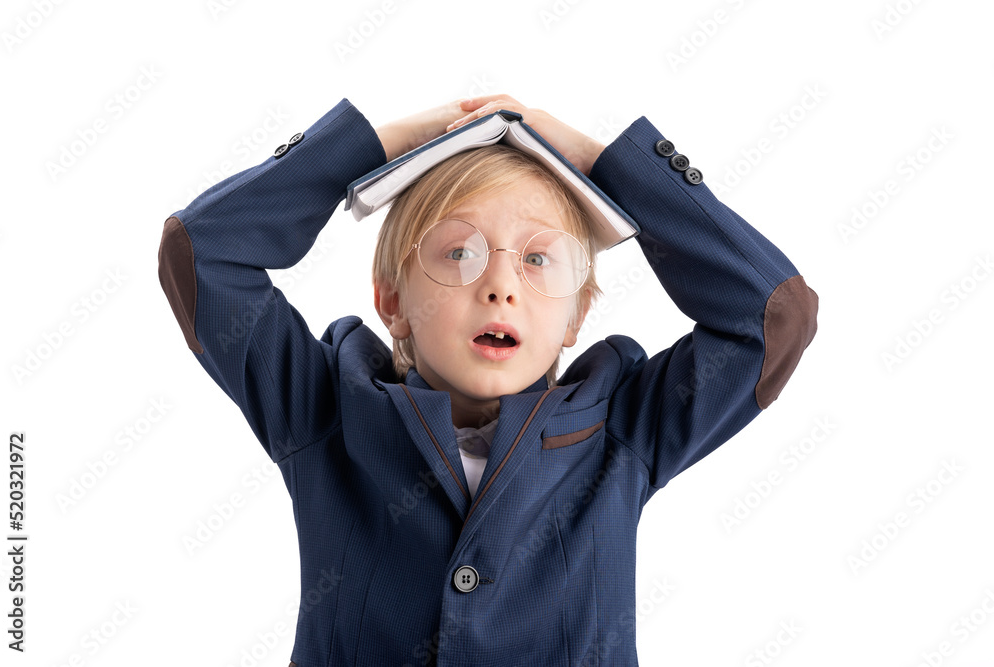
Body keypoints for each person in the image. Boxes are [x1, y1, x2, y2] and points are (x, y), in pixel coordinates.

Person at [157, 93, 818, 666]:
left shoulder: (625, 428)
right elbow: (205, 251)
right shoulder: (321, 408)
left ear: (576, 316)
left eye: (538, 259)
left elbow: (773, 315)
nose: (501, 285)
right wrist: (376, 147)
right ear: (391, 299)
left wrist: (602, 162)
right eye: (459, 252)